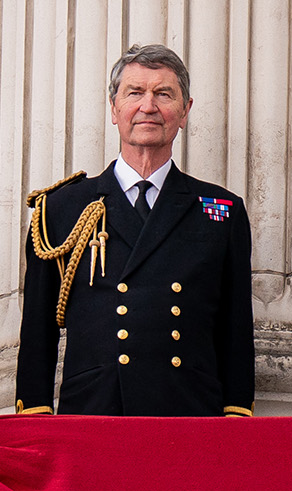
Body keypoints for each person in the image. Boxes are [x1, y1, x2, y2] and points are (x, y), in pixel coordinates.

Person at [16, 44, 254, 416]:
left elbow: (235, 326)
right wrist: (35, 413)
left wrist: (236, 412)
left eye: (164, 94)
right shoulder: (60, 209)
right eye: (134, 93)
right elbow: (37, 330)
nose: (148, 106)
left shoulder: (221, 210)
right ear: (114, 109)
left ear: (185, 111)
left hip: (189, 413)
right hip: (94, 412)